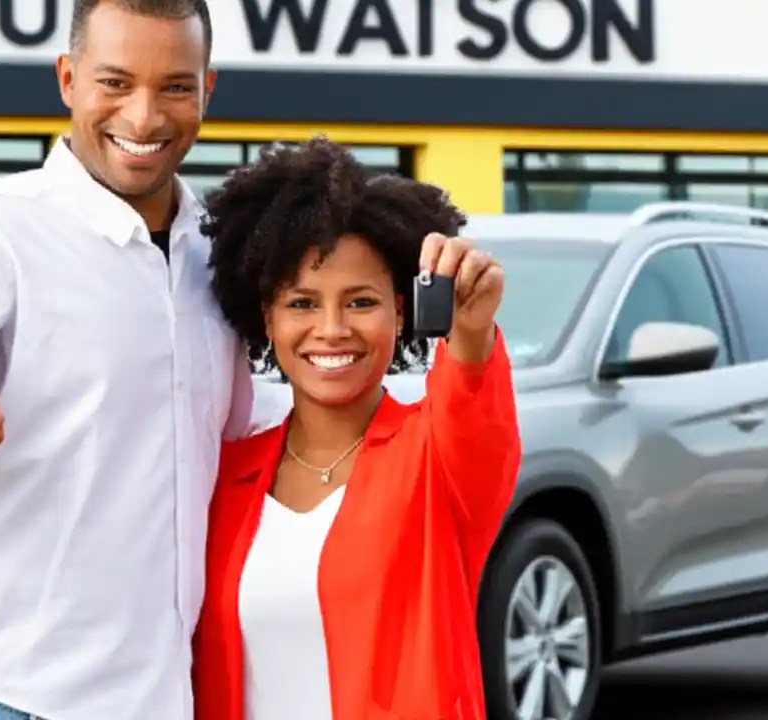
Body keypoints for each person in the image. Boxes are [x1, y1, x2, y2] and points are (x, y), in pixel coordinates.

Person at [0, 2, 256, 719]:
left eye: (175, 87)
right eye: (116, 82)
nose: (144, 116)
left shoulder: (218, 258)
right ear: (68, 79)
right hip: (4, 698)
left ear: (208, 90)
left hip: (161, 698)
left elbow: (246, 437)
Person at [191, 136, 523, 720]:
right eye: (302, 304)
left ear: (401, 311)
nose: (332, 328)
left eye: (361, 302)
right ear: (266, 315)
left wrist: (470, 329)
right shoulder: (224, 474)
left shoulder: (435, 459)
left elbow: (473, 401)